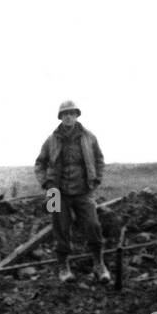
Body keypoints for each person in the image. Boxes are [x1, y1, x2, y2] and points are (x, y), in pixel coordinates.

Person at [34, 100, 110, 283]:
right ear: (60, 117)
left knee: (93, 225)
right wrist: (46, 183)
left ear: (77, 115)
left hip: (83, 190)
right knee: (59, 228)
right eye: (65, 114)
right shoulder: (51, 140)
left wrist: (96, 179)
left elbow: (99, 159)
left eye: (72, 113)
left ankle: (99, 264)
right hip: (55, 192)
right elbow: (40, 164)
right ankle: (63, 266)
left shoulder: (88, 137)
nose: (68, 116)